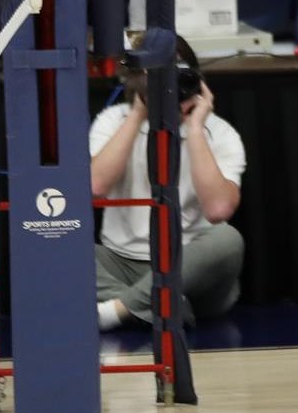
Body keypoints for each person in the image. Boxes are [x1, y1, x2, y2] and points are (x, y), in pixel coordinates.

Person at [89, 35, 245, 330]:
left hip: (192, 270)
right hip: (121, 264)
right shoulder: (113, 121)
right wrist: (138, 113)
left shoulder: (220, 133)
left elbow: (218, 210)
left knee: (228, 240)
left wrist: (195, 128)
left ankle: (122, 309)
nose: (167, 86)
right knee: (61, 243)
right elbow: (95, 188)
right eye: (157, 77)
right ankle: (163, 307)